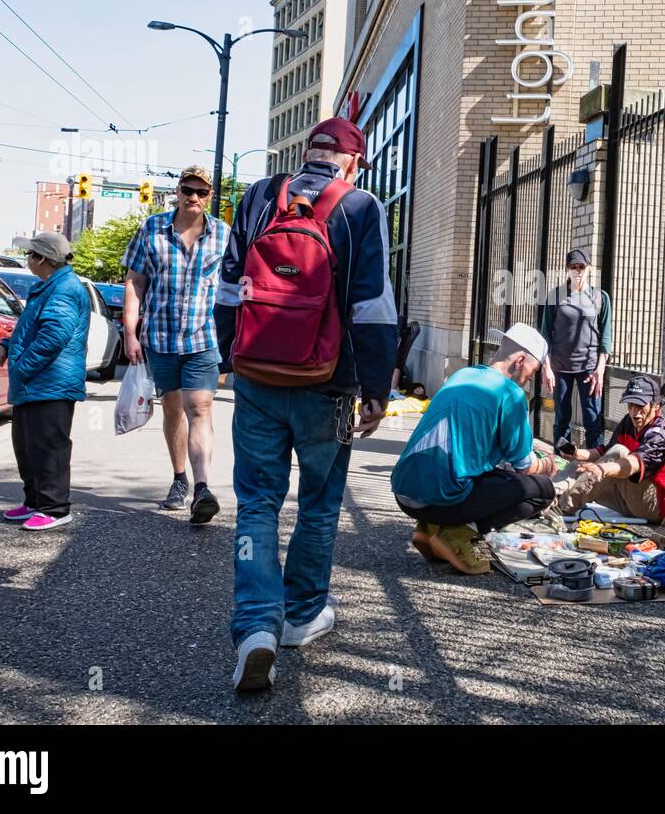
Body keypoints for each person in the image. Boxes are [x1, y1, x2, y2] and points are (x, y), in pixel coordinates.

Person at [216, 116, 397, 692]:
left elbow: (226, 286)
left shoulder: (259, 196)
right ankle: (301, 615)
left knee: (256, 502)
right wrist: (375, 389)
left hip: (257, 375)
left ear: (308, 152)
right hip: (328, 381)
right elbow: (371, 306)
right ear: (353, 161)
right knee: (318, 503)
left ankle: (255, 627)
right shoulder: (360, 206)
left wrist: (230, 356)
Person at [391, 322, 557, 575]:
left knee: (479, 476)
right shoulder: (510, 394)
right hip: (443, 496)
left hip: (404, 492)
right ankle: (458, 531)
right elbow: (525, 465)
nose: (530, 379)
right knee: (542, 490)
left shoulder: (463, 375)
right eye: (533, 371)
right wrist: (547, 463)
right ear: (520, 360)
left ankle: (428, 527)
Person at [121, 165, 230, 524]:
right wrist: (130, 331)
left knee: (199, 407)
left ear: (210, 196)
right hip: (160, 337)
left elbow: (233, 290)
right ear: (178, 191)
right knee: (172, 409)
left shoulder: (223, 235)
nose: (193, 197)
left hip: (203, 337)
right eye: (187, 190)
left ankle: (202, 488)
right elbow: (135, 281)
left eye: (201, 192)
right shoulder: (152, 228)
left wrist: (232, 343)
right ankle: (179, 478)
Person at [0, 232, 90, 532]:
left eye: (30, 254)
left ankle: (55, 508)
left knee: (49, 447)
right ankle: (35, 501)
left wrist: (21, 366)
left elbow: (53, 337)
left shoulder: (64, 289)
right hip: (37, 383)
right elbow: (29, 329)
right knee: (27, 446)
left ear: (43, 259)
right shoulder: (49, 286)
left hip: (51, 382)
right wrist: (7, 347)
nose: (28, 259)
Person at [555, 374, 665, 525]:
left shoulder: (662, 433)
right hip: (628, 501)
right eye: (631, 405)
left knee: (618, 453)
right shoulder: (629, 421)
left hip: (658, 508)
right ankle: (546, 497)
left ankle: (563, 507)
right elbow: (605, 452)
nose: (634, 412)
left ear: (657, 405)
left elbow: (632, 464)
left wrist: (602, 469)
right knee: (581, 465)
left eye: (640, 406)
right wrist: (577, 454)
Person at [539, 248, 612, 453]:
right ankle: (561, 461)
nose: (577, 270)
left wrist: (600, 369)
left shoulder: (600, 297)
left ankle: (594, 465)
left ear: (589, 268)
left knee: (592, 416)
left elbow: (605, 335)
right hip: (560, 368)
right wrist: (547, 367)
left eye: (581, 266)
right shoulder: (556, 296)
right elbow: (545, 334)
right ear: (567, 270)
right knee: (562, 417)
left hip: (589, 369)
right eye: (573, 267)